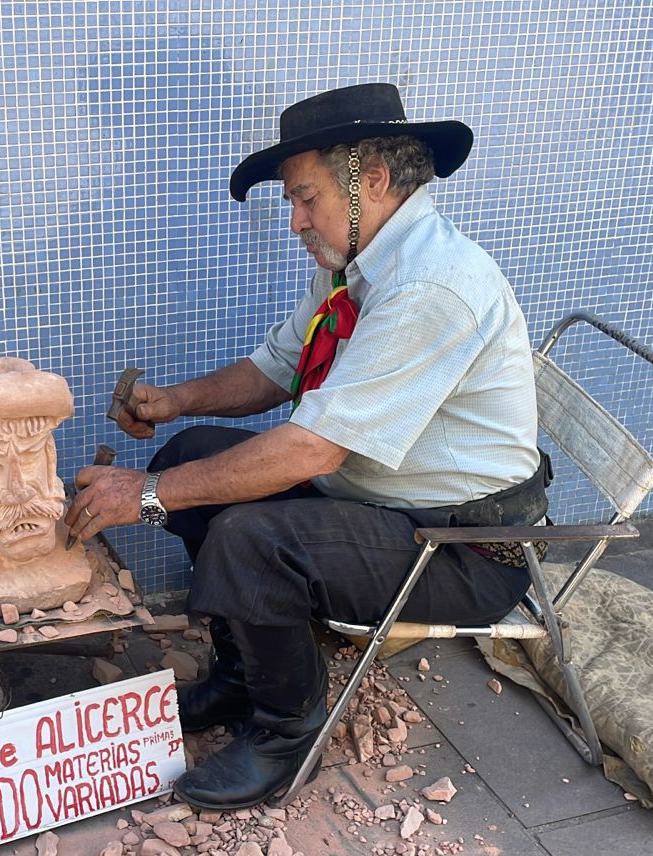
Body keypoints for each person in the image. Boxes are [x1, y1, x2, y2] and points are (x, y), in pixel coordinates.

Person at [64, 83, 549, 810]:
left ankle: (286, 735)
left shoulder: (430, 288)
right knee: (189, 450)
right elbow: (277, 368)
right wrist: (172, 404)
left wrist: (146, 497)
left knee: (250, 539)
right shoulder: (356, 262)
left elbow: (314, 450)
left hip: (464, 547)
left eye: (305, 197)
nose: (294, 221)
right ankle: (241, 677)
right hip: (384, 504)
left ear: (374, 181)